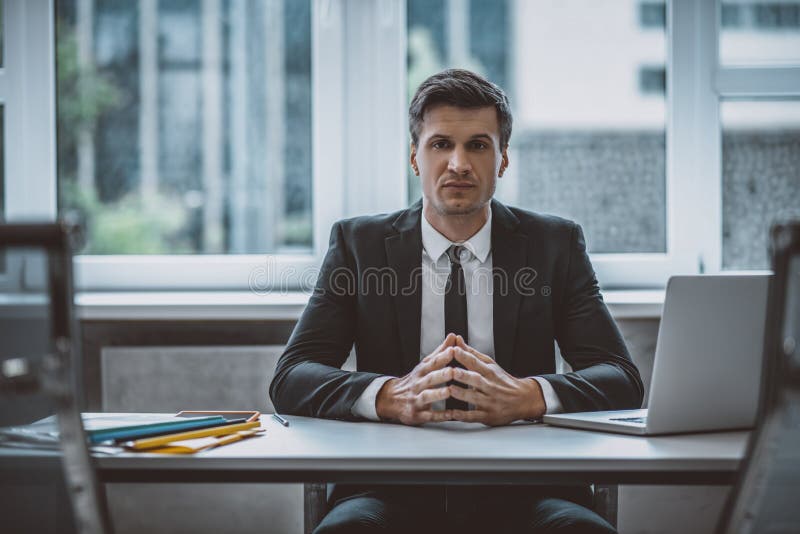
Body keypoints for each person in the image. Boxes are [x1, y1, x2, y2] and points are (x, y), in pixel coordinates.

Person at [269, 68, 644, 533]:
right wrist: (389, 396)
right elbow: (291, 377)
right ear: (415, 157)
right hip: (387, 486)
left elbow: (622, 379)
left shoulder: (555, 244)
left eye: (478, 145)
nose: (459, 163)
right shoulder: (358, 244)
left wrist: (528, 397)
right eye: (441, 144)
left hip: (530, 486)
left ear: (503, 159)